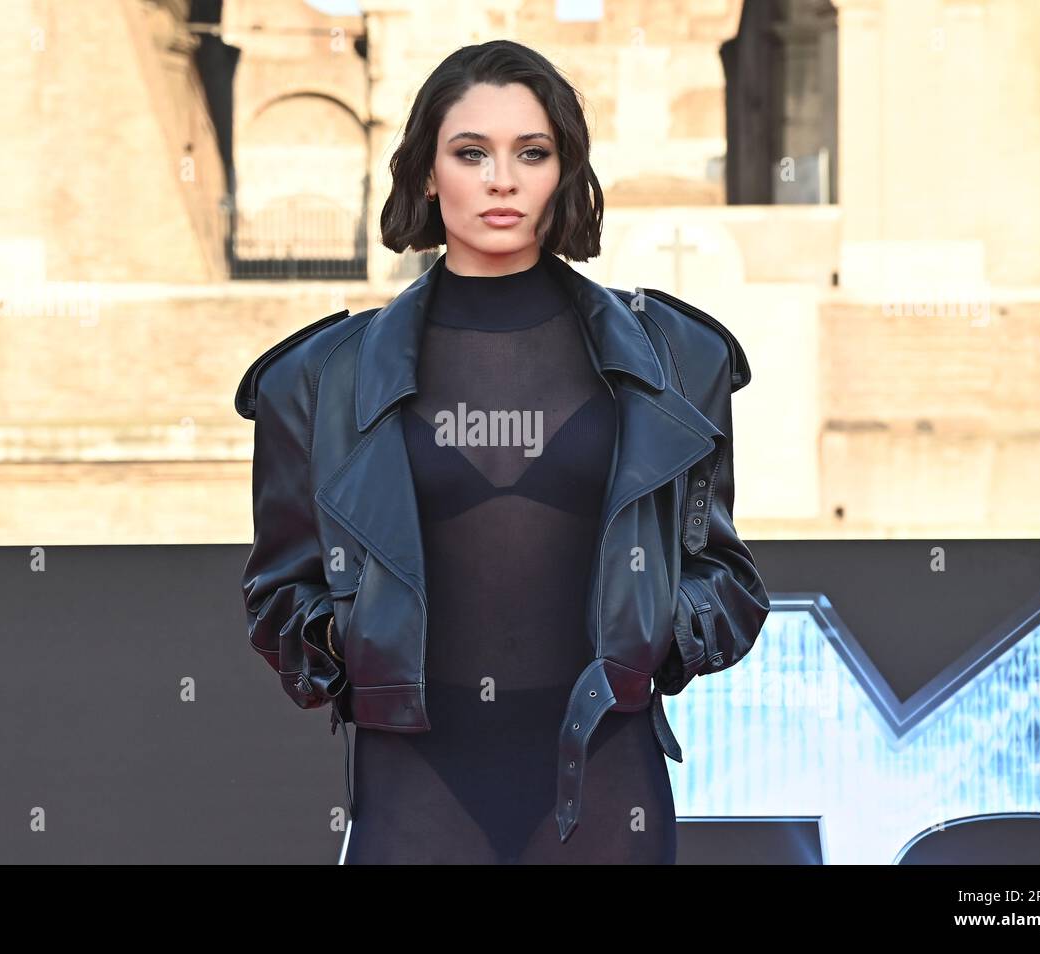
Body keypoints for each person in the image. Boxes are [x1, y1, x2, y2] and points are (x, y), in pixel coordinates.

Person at [238, 39, 770, 865]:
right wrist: (352, 645)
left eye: (533, 152)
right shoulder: (317, 380)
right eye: (470, 153)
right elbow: (278, 595)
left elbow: (726, 578)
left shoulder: (677, 360)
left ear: (565, 171)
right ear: (426, 171)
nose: (502, 180)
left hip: (607, 769)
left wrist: (660, 630)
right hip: (415, 780)